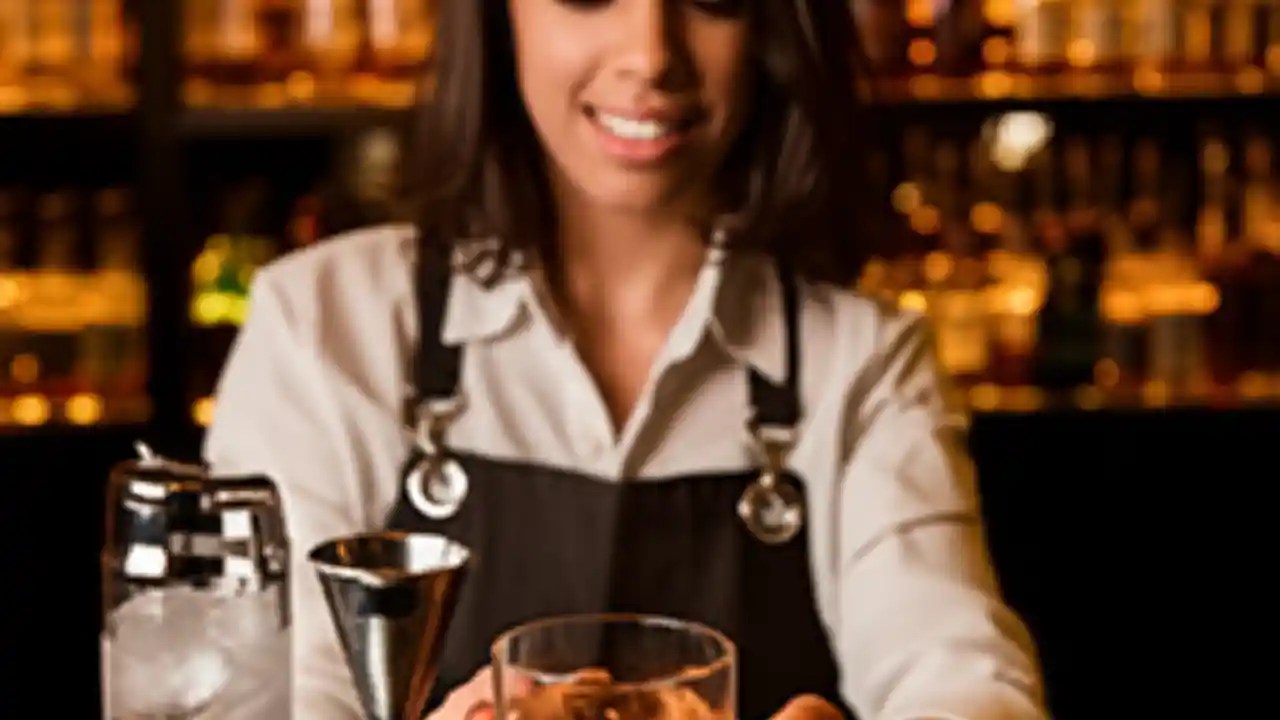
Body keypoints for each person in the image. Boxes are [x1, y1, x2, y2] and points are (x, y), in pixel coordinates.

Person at [203, 1, 1049, 719]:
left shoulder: (860, 359)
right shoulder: (324, 325)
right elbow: (272, 692)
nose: (652, 56)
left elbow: (957, 669)